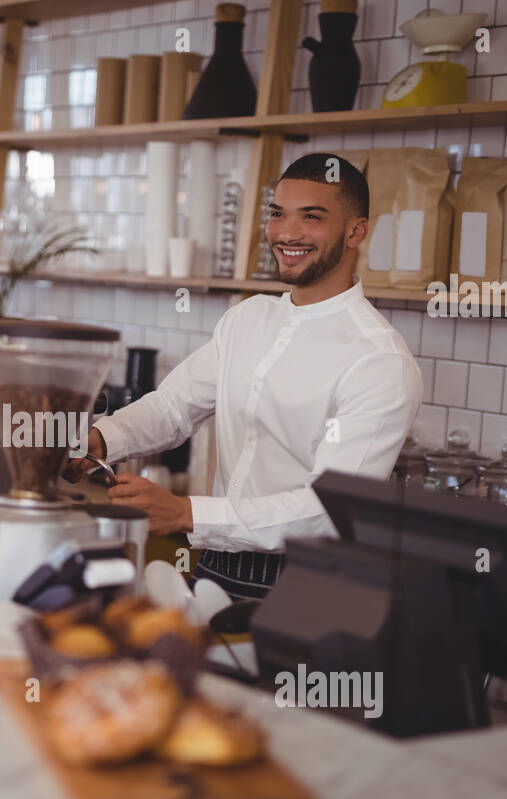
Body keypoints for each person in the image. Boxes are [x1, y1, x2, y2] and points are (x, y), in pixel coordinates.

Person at [79, 153, 421, 600]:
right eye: (278, 214)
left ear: (356, 231)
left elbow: (326, 511)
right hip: (216, 565)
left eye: (311, 217)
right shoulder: (248, 319)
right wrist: (102, 439)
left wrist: (187, 514)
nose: (287, 234)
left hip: (305, 584)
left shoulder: (380, 361)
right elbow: (173, 406)